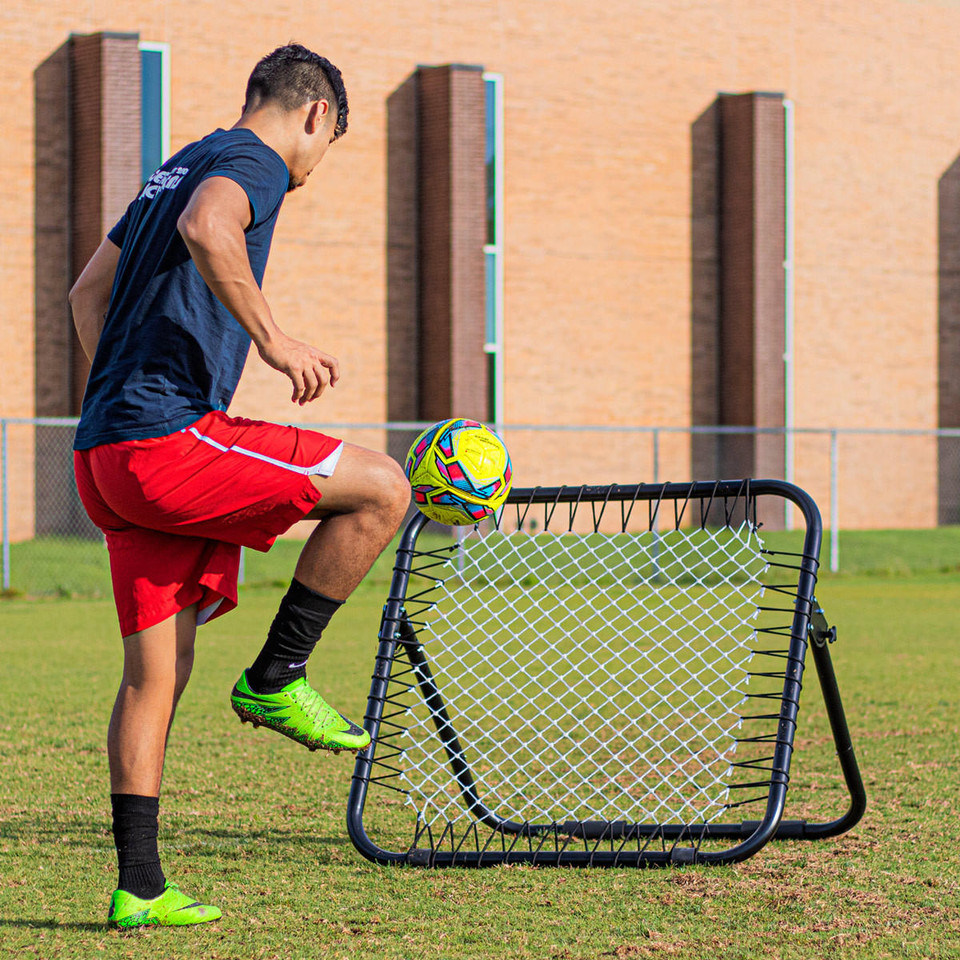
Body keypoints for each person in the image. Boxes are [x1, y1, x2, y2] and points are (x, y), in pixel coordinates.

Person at [68, 44, 410, 929]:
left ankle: (139, 887)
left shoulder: (175, 164)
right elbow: (211, 230)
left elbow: (85, 291)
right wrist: (275, 339)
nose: (313, 170)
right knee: (381, 488)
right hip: (164, 440)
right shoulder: (251, 162)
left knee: (157, 674)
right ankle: (278, 671)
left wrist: (120, 391)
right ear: (317, 116)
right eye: (327, 149)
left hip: (104, 453)